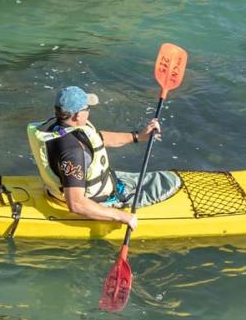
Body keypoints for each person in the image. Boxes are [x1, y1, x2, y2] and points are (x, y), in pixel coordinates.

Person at [26, 85, 177, 229]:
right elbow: (76, 204)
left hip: (104, 183)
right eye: (87, 108)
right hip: (100, 200)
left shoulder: (57, 126)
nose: (89, 112)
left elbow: (98, 139)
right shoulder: (73, 153)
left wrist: (138, 136)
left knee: (164, 179)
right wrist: (123, 217)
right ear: (78, 115)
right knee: (172, 183)